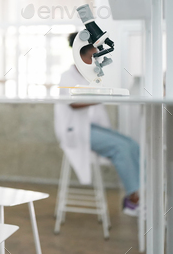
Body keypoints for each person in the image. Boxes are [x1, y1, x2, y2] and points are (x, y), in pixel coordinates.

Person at [54, 32, 140, 216]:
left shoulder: (89, 75)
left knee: (132, 144)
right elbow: (74, 104)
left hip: (90, 127)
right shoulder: (67, 76)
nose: (96, 58)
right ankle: (133, 201)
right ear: (82, 54)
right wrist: (102, 97)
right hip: (75, 131)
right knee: (120, 147)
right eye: (93, 55)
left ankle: (139, 193)